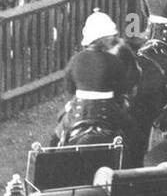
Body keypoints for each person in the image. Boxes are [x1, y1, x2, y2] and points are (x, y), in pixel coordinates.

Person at [56, 9, 143, 165]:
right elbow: (122, 88)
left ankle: (48, 172)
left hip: (78, 111)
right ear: (103, 39)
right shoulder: (113, 60)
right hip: (108, 111)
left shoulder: (76, 59)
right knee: (135, 133)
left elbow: (69, 87)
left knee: (55, 136)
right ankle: (135, 170)